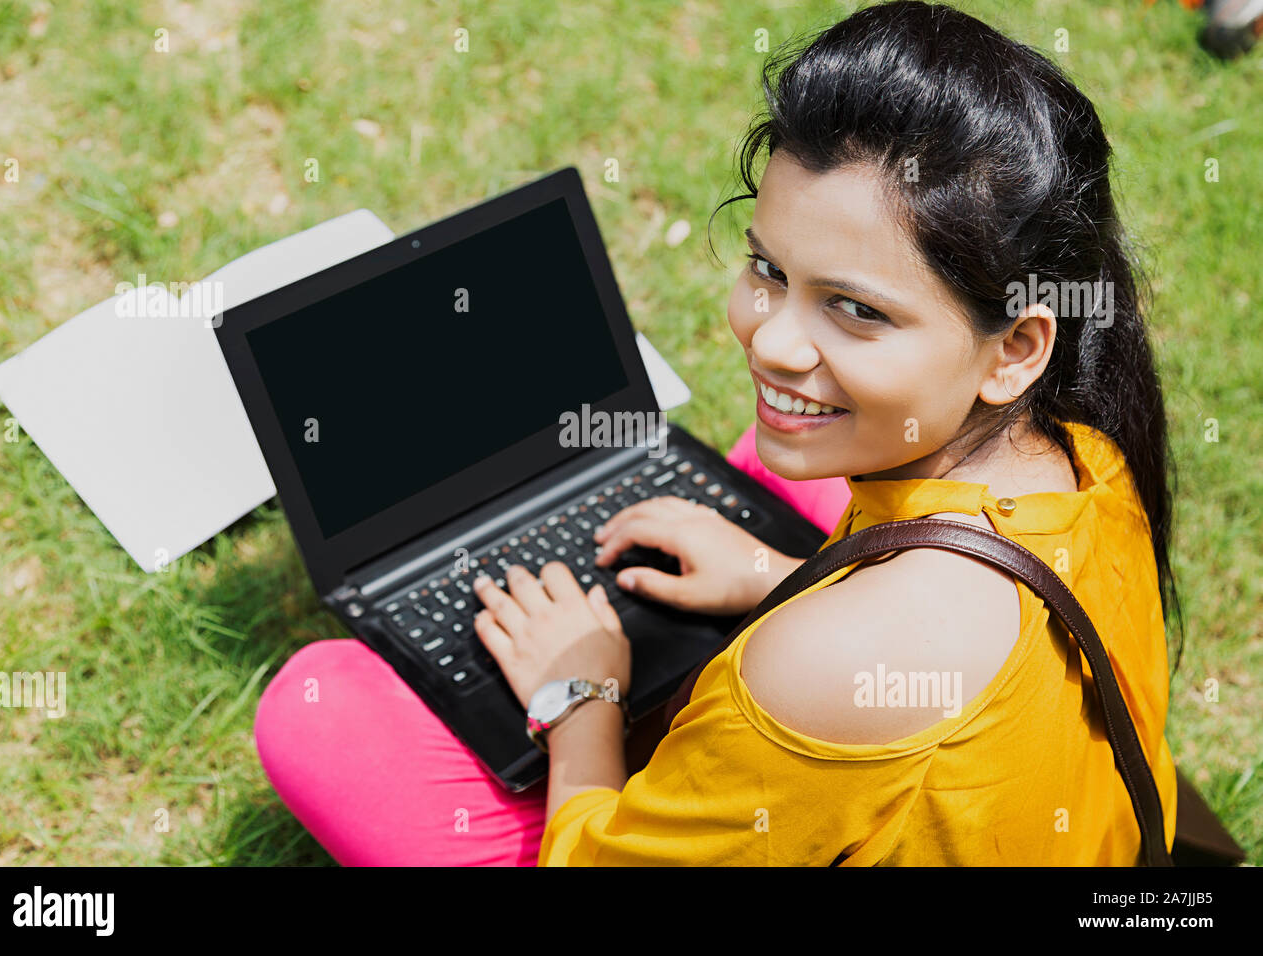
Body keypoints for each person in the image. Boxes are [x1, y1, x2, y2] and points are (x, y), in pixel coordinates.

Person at [253, 0, 1182, 865]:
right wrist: (776, 577)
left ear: (1013, 348)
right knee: (759, 460)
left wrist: (580, 695)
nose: (772, 341)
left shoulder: (814, 669)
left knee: (319, 703)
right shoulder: (1089, 455)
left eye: (856, 309)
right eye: (770, 268)